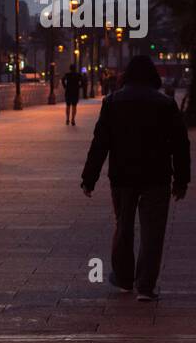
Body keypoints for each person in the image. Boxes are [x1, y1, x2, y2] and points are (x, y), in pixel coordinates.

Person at [81, 55, 190, 302]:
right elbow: (181, 145)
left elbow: (100, 143)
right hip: (157, 175)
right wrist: (182, 181)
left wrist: (89, 178)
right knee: (153, 232)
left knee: (124, 227)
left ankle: (124, 278)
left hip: (123, 175)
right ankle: (145, 286)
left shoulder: (112, 102)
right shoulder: (165, 103)